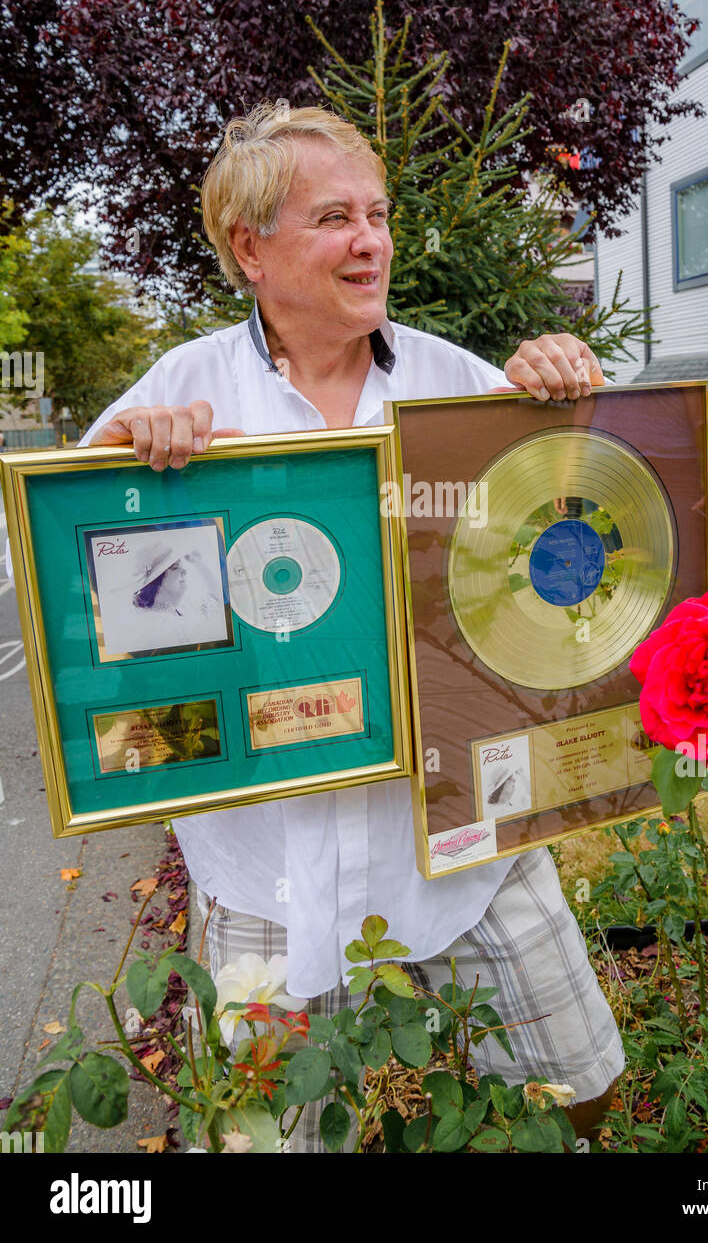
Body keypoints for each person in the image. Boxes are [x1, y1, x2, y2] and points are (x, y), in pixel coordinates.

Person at [78, 101, 623, 1151]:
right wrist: (116, 473)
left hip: (466, 837)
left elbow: (565, 556)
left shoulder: (461, 386)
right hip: (269, 859)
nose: (371, 239)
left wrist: (562, 395)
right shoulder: (181, 392)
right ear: (251, 246)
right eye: (335, 216)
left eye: (377, 213)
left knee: (579, 1087)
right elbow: (81, 609)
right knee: (262, 1135)